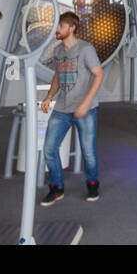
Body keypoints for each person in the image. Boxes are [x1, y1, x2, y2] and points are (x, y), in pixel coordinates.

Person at [39, 11, 103, 205]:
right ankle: (57, 188)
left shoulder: (86, 49)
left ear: (72, 27)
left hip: (86, 109)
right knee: (49, 149)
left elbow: (98, 75)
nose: (56, 30)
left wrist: (85, 103)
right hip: (62, 108)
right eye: (57, 27)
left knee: (88, 152)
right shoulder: (59, 51)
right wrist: (49, 96)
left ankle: (92, 184)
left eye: (60, 26)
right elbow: (58, 76)